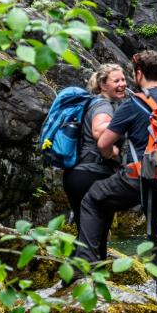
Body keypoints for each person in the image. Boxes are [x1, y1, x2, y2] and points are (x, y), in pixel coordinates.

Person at [74, 50, 157, 307]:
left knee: (93, 199)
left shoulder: (133, 103)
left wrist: (113, 154)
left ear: (138, 73)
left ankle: (83, 275)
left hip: (138, 177)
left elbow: (105, 143)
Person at [62, 63, 126, 252]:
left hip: (78, 175)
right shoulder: (103, 105)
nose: (122, 83)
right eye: (116, 80)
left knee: (88, 234)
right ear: (103, 85)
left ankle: (81, 276)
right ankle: (87, 278)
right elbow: (100, 132)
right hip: (91, 176)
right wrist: (113, 152)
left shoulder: (97, 103)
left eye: (123, 79)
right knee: (95, 236)